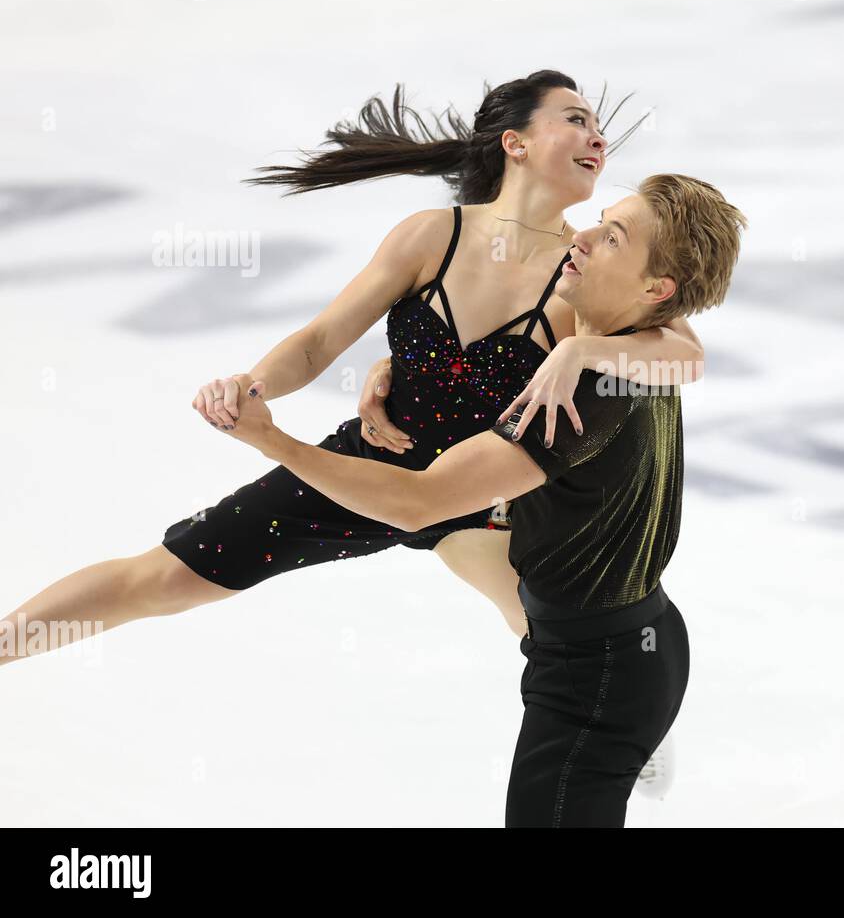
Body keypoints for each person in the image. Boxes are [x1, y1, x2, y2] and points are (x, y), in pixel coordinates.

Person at [0, 71, 705, 667]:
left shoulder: (585, 268)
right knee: (158, 577)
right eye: (577, 119)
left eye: (598, 127)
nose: (598, 138)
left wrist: (581, 348)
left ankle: (619, 735)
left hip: (484, 504)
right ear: (514, 143)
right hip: (369, 468)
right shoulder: (431, 237)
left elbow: (683, 356)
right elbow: (317, 341)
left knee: (558, 644)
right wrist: (249, 389)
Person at [219, 174, 747, 826]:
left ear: (654, 289)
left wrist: (274, 440)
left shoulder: (577, 400)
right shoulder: (638, 347)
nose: (577, 236)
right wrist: (404, 370)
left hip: (598, 677)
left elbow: (419, 502)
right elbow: (683, 350)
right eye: (601, 219)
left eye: (611, 237)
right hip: (620, 646)